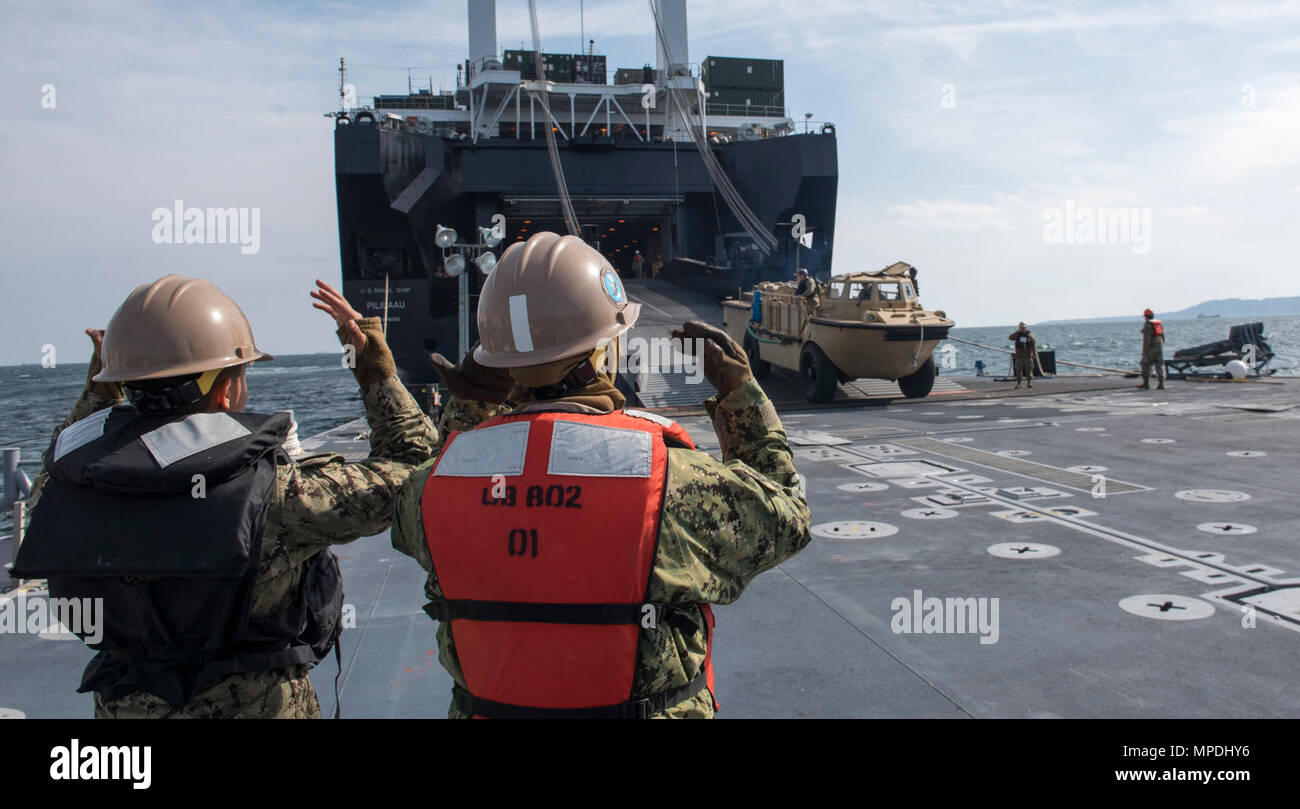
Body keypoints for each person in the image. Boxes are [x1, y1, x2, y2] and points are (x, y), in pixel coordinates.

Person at [391, 231, 812, 718]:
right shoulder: (668, 477)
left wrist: (468, 408)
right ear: (601, 353)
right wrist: (742, 400)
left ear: (496, 366)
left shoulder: (431, 490)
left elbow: (433, 475)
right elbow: (787, 517)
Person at [14, 275, 437, 718]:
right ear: (225, 389)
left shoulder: (62, 487)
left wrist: (102, 388)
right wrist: (374, 368)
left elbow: (67, 450)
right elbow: (412, 470)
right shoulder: (275, 494)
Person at [1139, 308, 1165, 390]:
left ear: (1146, 317)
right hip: (1159, 348)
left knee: (1145, 364)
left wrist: (1144, 351)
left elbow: (1146, 340)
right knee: (1159, 366)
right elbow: (1163, 337)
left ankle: (1146, 383)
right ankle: (1161, 383)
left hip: (1151, 349)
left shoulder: (1148, 326)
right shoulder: (1158, 324)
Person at [1008, 322, 1037, 389]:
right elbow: (1010, 337)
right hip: (1019, 356)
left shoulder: (1029, 335)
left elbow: (1034, 345)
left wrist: (1034, 354)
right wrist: (1017, 332)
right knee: (1018, 371)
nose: (1023, 329)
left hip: (1028, 356)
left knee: (1029, 370)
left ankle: (1029, 383)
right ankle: (1019, 384)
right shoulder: (1017, 335)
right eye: (1021, 328)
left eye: (1024, 328)